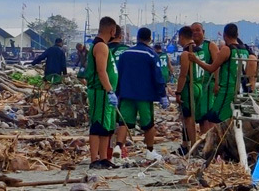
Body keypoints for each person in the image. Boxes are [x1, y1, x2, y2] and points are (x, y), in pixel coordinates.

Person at [114, 28, 169, 161]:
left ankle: (118, 147)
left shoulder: (125, 54)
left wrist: (116, 92)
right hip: (145, 95)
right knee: (148, 124)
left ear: (137, 37)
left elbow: (118, 74)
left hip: (126, 94)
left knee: (124, 123)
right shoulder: (151, 54)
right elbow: (158, 76)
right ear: (150, 38)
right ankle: (149, 151)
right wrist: (162, 95)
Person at [190, 23, 250, 124]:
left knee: (215, 117)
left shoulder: (227, 49)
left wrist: (196, 60)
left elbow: (211, 68)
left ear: (224, 35)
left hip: (227, 89)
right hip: (239, 88)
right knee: (230, 117)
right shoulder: (245, 51)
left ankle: (219, 139)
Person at [85, 17, 119, 169]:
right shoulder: (100, 46)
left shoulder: (104, 46)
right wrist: (109, 90)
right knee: (98, 124)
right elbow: (101, 71)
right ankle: (94, 159)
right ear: (112, 31)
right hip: (100, 91)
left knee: (106, 126)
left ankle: (104, 157)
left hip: (105, 92)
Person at [174, 26, 199, 156]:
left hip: (190, 87)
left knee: (189, 118)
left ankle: (193, 147)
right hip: (200, 85)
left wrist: (178, 92)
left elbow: (183, 74)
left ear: (182, 37)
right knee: (194, 118)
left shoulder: (186, 53)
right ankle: (186, 145)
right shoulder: (200, 51)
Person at [190, 23, 219, 134]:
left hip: (208, 85)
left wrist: (217, 82)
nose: (195, 33)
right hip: (197, 86)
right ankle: (203, 138)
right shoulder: (191, 47)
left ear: (203, 32)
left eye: (198, 30)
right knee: (200, 117)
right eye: (193, 31)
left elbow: (217, 65)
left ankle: (211, 139)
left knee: (208, 115)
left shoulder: (210, 46)